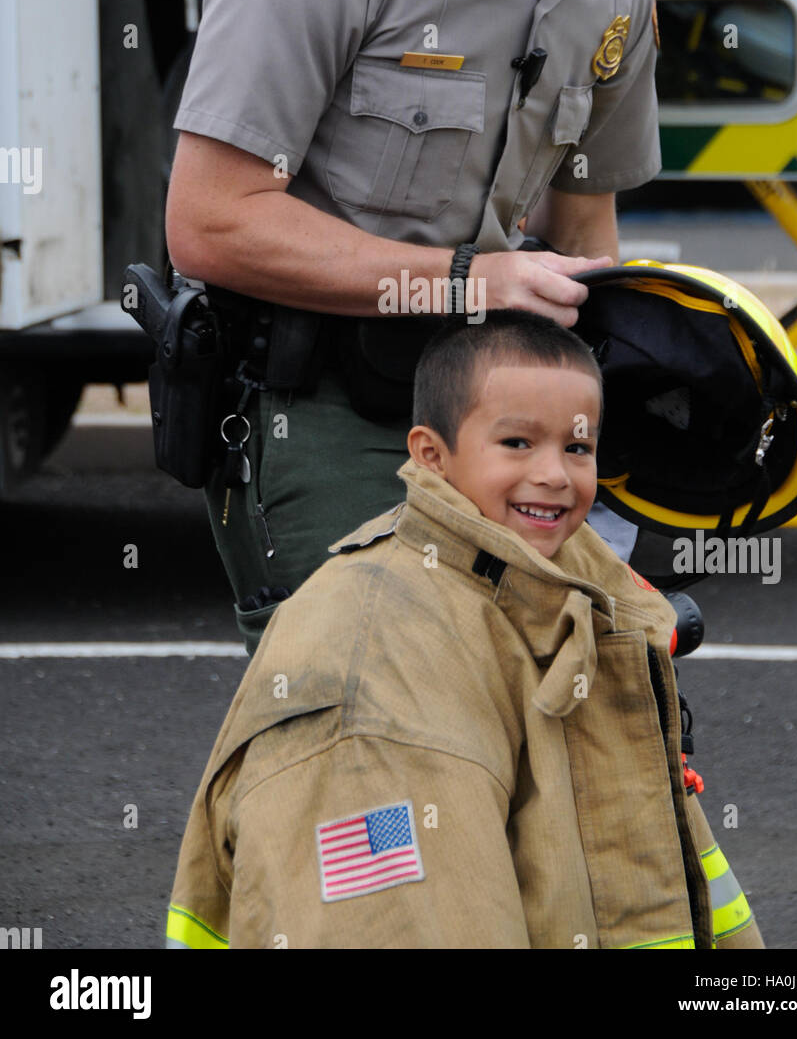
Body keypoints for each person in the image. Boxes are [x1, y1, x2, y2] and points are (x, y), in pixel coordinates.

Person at [165, 0, 676, 649]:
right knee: (375, 725)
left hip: (499, 418)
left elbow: (583, 233)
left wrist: (588, 449)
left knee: (553, 704)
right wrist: (467, 281)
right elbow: (209, 222)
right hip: (316, 407)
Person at [166, 311, 763, 950]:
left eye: (578, 446)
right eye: (517, 444)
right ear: (431, 455)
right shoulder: (371, 681)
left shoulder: (577, 603)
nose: (555, 475)